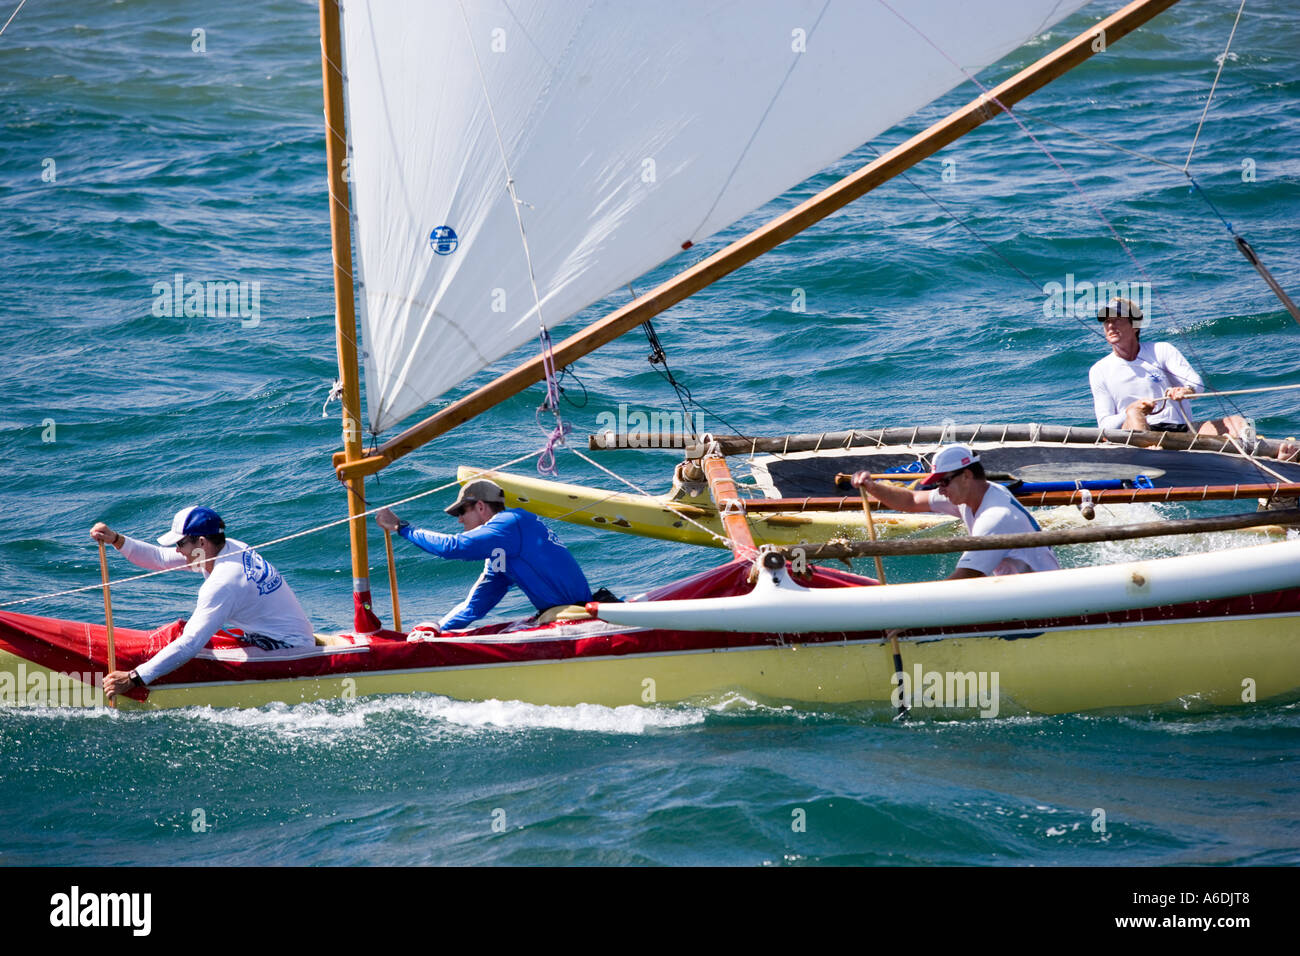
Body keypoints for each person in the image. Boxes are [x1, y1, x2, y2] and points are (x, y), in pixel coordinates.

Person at [91, 506, 315, 697]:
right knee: (182, 636)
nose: (178, 550)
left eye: (180, 544)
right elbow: (159, 558)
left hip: (288, 650)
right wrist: (116, 540)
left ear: (201, 542)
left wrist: (134, 677)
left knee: (190, 649)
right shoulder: (226, 548)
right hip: (274, 635)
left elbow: (190, 644)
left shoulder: (223, 582)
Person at [375, 479, 593, 630]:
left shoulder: (511, 522)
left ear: (480, 506)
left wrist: (401, 527)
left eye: (461, 512)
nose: (459, 520)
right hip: (563, 615)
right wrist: (437, 631)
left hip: (578, 616)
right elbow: (475, 606)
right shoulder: (502, 551)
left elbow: (453, 547)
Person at [851, 444, 1060, 579]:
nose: (940, 489)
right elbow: (911, 500)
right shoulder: (971, 494)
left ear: (966, 476)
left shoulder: (996, 518)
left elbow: (965, 577)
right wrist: (872, 487)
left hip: (1042, 602)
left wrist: (912, 612)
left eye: (943, 482)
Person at [1089, 298, 1247, 437]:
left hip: (1180, 430)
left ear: (1135, 326)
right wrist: (1131, 410)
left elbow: (1196, 383)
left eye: (1117, 320)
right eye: (1106, 321)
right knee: (1134, 413)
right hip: (1133, 432)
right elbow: (1105, 425)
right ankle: (1150, 453)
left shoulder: (1161, 350)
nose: (1110, 325)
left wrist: (1186, 391)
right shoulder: (1099, 370)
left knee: (1237, 423)